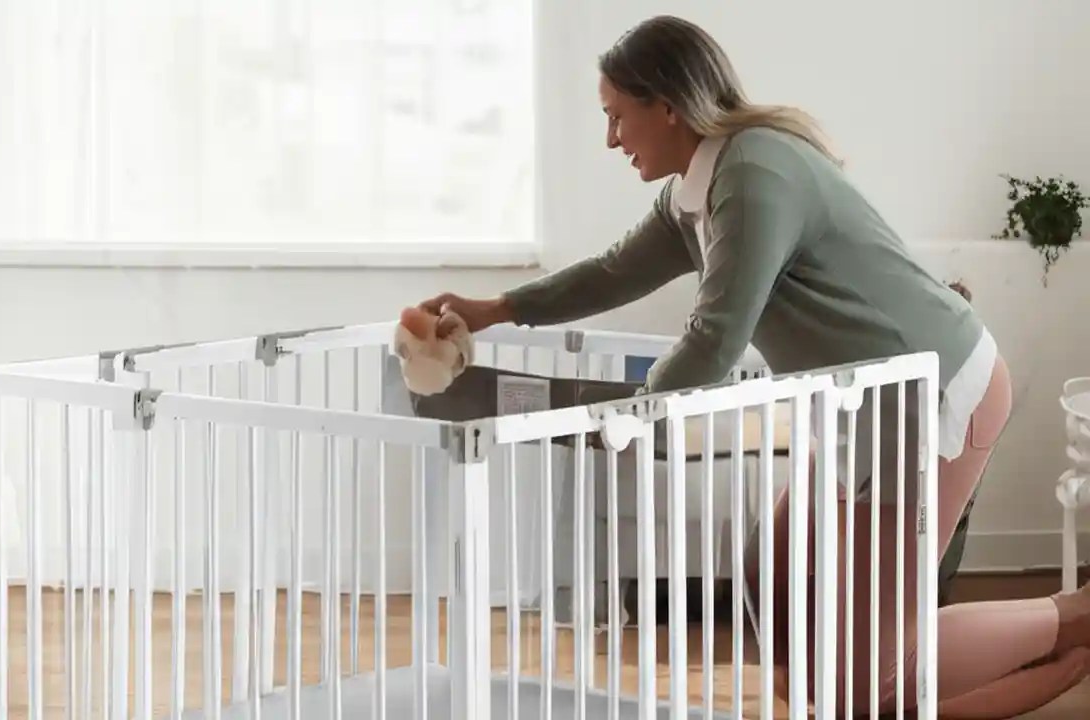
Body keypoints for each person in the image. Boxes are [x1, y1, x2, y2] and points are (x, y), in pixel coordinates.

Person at [416, 14, 1090, 719]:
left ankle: (1070, 623)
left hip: (931, 397)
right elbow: (612, 273)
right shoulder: (695, 194)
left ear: (666, 106)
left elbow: (716, 336)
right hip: (859, 405)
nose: (611, 138)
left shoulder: (754, 172)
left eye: (617, 117)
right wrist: (494, 309)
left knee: (868, 685)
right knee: (772, 573)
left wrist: (635, 417)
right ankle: (850, 697)